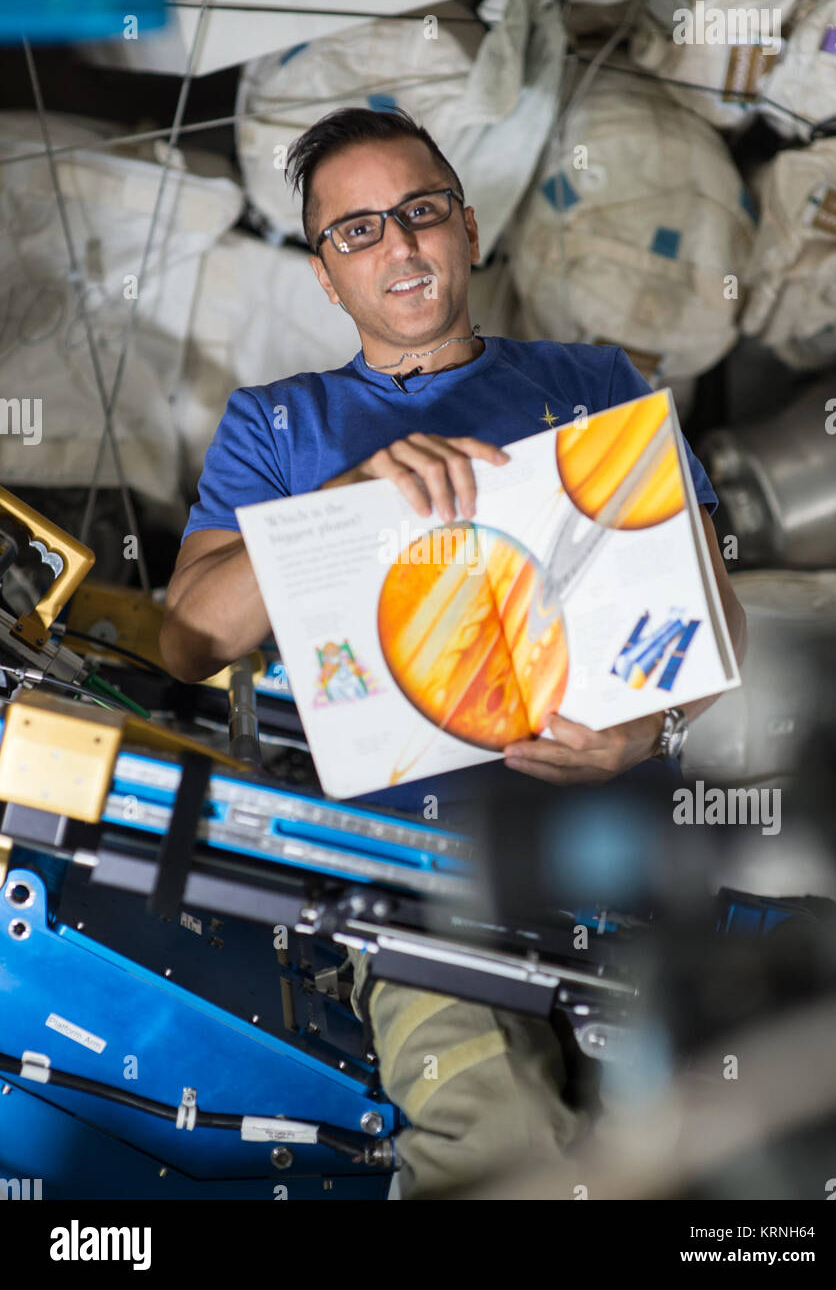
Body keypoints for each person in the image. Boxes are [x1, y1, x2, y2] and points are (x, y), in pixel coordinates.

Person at [160, 106, 747, 1198]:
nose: (398, 244)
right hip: (420, 899)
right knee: (497, 1143)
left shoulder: (599, 385)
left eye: (420, 212)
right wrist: (342, 501)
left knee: (745, 1153)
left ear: (468, 229)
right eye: (357, 229)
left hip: (632, 865)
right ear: (326, 277)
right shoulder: (279, 428)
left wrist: (651, 730)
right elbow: (190, 638)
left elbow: (716, 622)